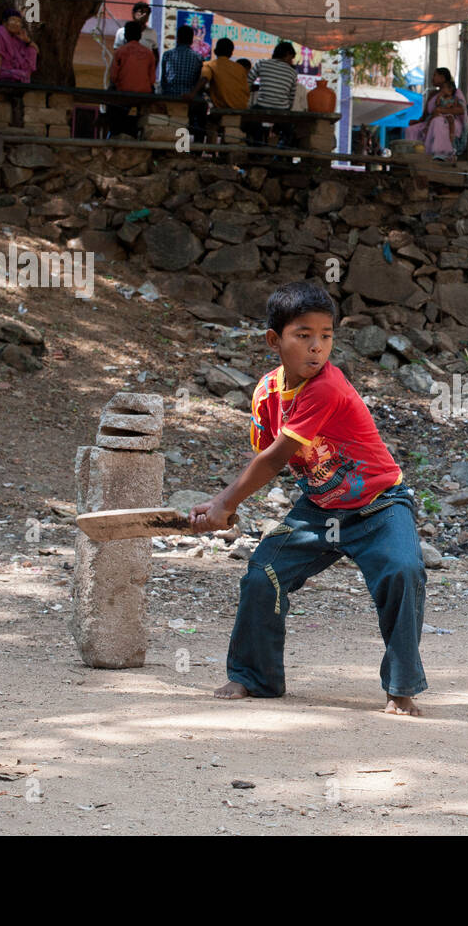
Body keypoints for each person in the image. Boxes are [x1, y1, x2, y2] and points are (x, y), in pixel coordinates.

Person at [189, 281, 429, 715]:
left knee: (403, 570)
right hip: (321, 509)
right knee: (264, 574)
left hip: (379, 503)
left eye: (326, 335)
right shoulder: (266, 392)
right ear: (274, 340)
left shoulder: (327, 388)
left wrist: (226, 503)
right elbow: (263, 454)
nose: (317, 347)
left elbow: (277, 458)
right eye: (303, 335)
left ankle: (401, 688)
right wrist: (227, 500)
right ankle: (253, 677)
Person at [405, 67, 468, 159]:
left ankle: (441, 153)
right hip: (430, 121)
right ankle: (412, 156)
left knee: (437, 121)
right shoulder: (432, 94)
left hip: (449, 121)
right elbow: (425, 116)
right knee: (411, 129)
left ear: (442, 78)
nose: (432, 78)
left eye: (435, 75)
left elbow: (461, 110)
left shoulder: (455, 92)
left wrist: (441, 110)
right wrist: (416, 122)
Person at [105, 20, 155, 137]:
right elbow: (152, 79)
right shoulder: (149, 54)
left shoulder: (120, 52)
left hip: (123, 94)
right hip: (144, 95)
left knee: (112, 106)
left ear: (126, 35)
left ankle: (113, 133)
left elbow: (113, 76)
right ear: (140, 35)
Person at [248, 41, 299, 147]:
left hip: (262, 107)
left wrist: (257, 87)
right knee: (289, 131)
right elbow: (291, 98)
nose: (291, 61)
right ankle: (280, 154)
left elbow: (247, 82)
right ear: (287, 54)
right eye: (291, 58)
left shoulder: (262, 63)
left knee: (248, 122)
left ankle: (256, 147)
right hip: (282, 109)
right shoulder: (293, 73)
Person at [0, 8, 38, 83]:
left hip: (11, 72)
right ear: (4, 22)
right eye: (13, 20)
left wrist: (27, 41)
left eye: (19, 22)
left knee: (31, 49)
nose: (16, 24)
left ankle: (25, 79)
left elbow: (36, 50)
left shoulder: (16, 38)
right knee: (20, 74)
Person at [190, 37, 249, 110]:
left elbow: (204, 79)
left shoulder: (209, 65)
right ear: (231, 54)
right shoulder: (240, 68)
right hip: (242, 107)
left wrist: (192, 94)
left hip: (223, 108)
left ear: (215, 51)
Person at [160, 24, 203, 97]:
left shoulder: (167, 55)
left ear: (177, 39)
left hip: (169, 97)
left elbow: (163, 81)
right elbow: (199, 81)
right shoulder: (198, 58)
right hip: (189, 99)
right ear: (191, 40)